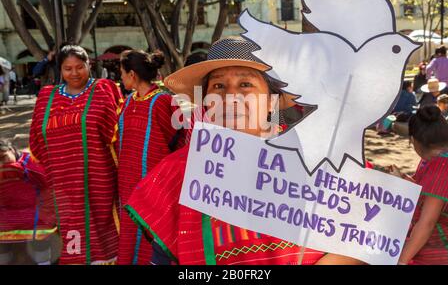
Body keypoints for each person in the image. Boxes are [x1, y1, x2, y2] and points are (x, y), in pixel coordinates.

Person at [124, 37, 362, 265]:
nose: (230, 96)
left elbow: (369, 239)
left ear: (271, 101)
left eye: (245, 84)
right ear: (206, 101)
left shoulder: (320, 161)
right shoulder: (175, 175)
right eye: (218, 86)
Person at [29, 45, 123, 265]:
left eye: (79, 67)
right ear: (59, 70)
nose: (74, 73)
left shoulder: (103, 89)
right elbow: (36, 139)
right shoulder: (46, 96)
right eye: (68, 68)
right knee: (70, 231)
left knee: (102, 228)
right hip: (61, 181)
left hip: (98, 178)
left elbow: (118, 133)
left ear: (89, 65)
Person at [117, 50, 188, 265]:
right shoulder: (129, 101)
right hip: (128, 182)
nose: (120, 78)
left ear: (132, 74)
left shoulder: (163, 101)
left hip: (155, 183)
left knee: (153, 231)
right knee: (131, 230)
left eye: (122, 73)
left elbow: (179, 141)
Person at [391, 106, 448, 265]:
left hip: (440, 252)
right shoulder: (437, 161)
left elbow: (427, 222)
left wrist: (401, 261)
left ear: (413, 140)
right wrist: (403, 180)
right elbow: (431, 194)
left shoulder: (442, 166)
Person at [0, 139, 57, 265]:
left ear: (11, 149)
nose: (1, 165)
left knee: (40, 238)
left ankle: (44, 262)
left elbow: (49, 186)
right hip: (5, 217)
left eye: (3, 158)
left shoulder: (31, 163)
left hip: (34, 215)